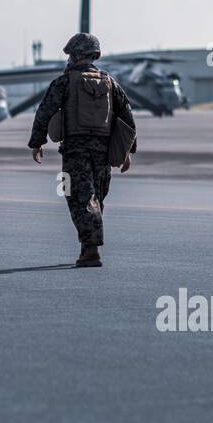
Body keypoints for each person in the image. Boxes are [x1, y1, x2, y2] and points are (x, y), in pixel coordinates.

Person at [28, 33, 135, 267]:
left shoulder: (64, 82)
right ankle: (90, 245)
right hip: (103, 151)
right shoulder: (110, 83)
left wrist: (37, 142)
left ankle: (90, 249)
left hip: (76, 150)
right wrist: (128, 152)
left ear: (75, 55)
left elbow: (44, 111)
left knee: (78, 197)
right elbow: (126, 117)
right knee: (97, 196)